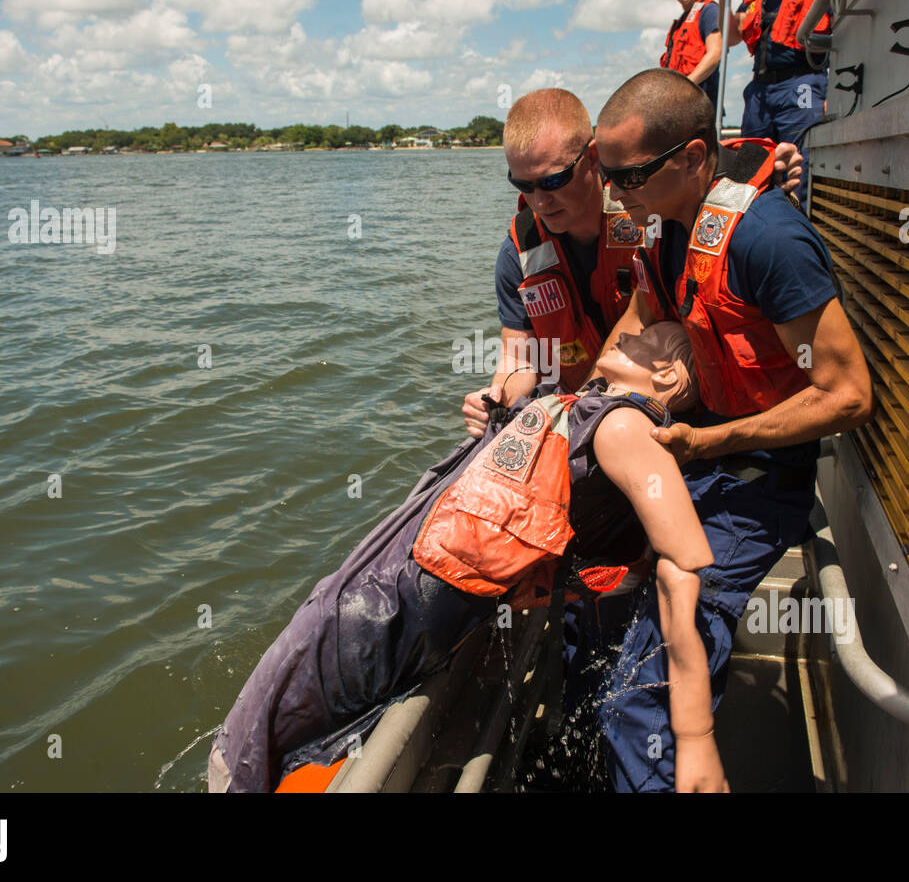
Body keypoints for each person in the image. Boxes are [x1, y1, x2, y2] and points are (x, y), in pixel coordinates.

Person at [210, 322, 731, 793]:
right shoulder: (590, 406)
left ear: (665, 375)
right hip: (407, 570)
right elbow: (521, 381)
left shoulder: (626, 427)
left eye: (645, 340)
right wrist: (500, 393)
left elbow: (684, 563)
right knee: (285, 692)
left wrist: (694, 733)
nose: (626, 334)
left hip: (411, 595)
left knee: (280, 705)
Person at [590, 67, 873, 792]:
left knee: (638, 702)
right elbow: (644, 318)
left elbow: (846, 395)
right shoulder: (670, 231)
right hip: (702, 458)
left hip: (756, 479)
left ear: (690, 157)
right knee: (585, 589)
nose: (617, 193)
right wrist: (589, 394)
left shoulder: (768, 240)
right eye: (607, 174)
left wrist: (709, 443)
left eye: (632, 175)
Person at [461, 88, 803, 437]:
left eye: (553, 180)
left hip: (678, 414)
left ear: (592, 158)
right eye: (523, 185)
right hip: (582, 412)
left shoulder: (652, 206)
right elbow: (519, 357)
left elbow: (691, 167)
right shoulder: (519, 253)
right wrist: (497, 396)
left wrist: (766, 164)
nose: (539, 201)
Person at [717, 0, 831, 206]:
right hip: (760, 90)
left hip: (802, 83)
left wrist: (831, 93)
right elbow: (731, 37)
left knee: (797, 172)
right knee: (750, 168)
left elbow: (847, 31)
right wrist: (723, 0)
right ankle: (751, 230)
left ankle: (796, 235)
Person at [660, 0, 723, 109]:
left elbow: (715, 55)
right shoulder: (680, 23)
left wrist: (685, 87)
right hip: (679, 107)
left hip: (699, 107)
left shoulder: (708, 11)